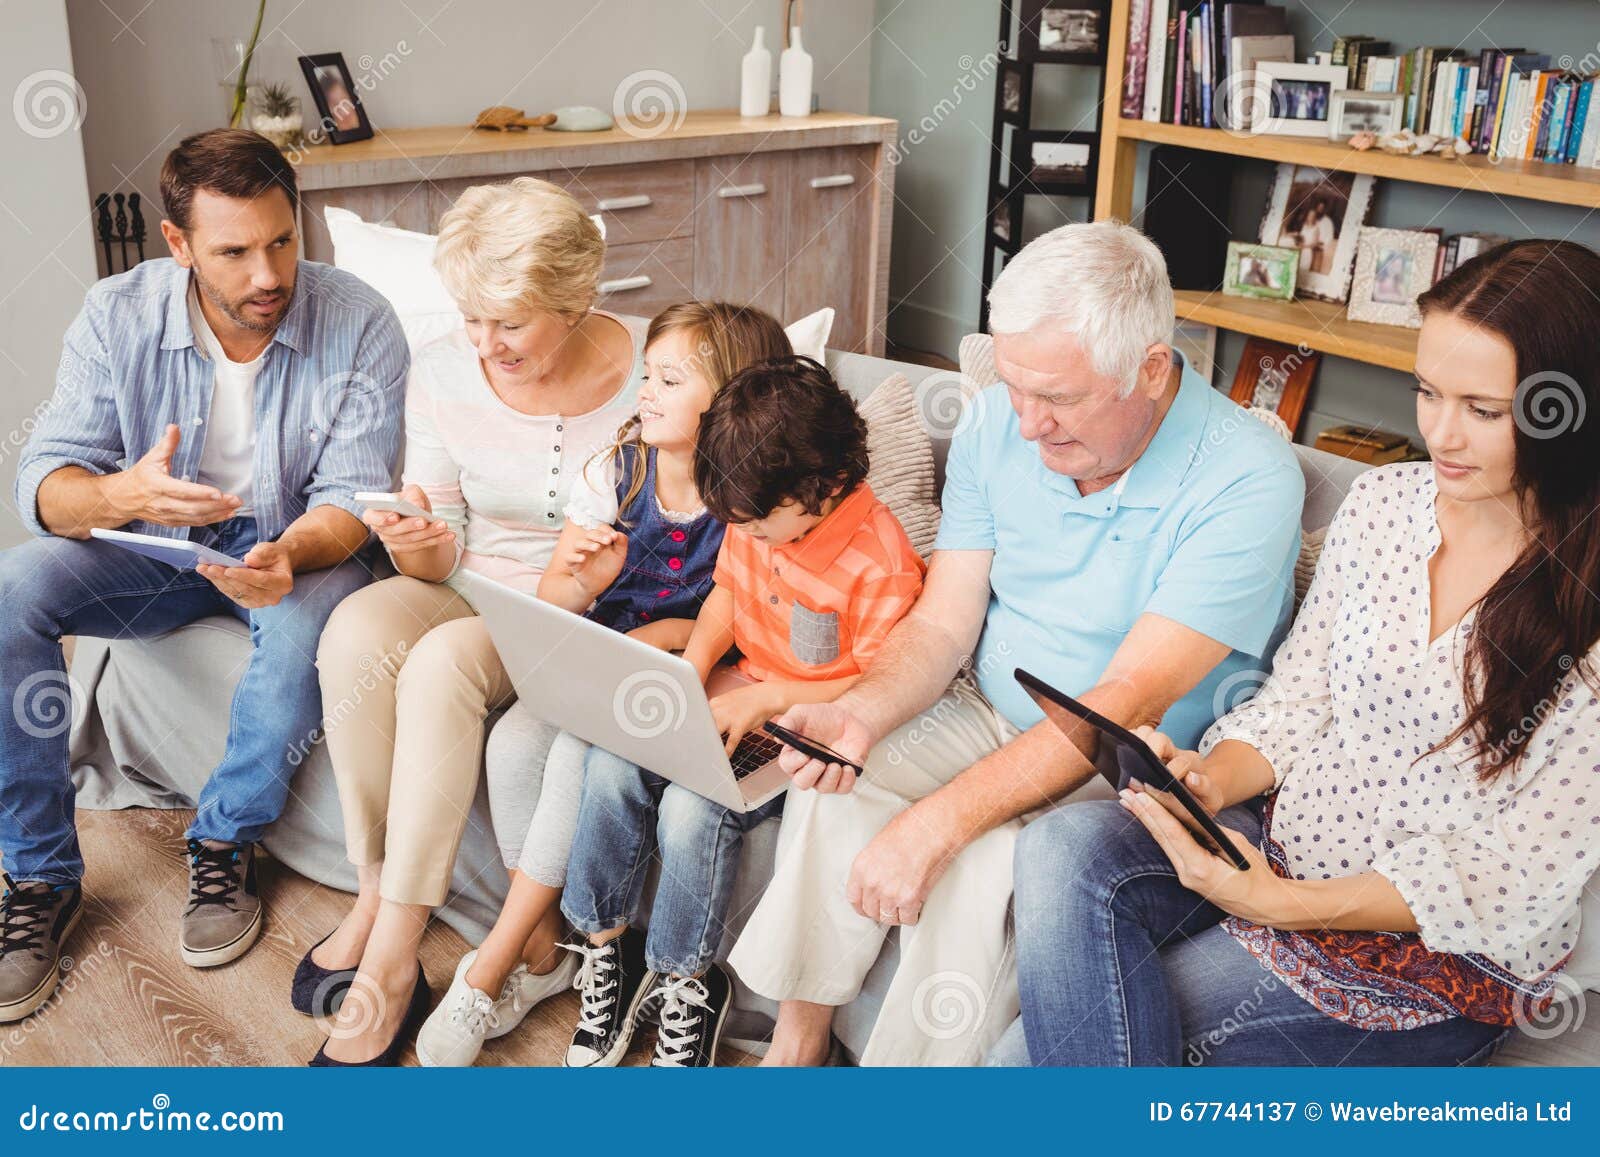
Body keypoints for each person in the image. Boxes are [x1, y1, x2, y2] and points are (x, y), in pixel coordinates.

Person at [1000, 238, 1600, 1066]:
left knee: (1019, 1062)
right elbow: (1298, 700)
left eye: (1483, 409)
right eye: (1428, 392)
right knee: (1062, 845)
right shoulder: (1384, 506)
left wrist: (1281, 904)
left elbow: (1510, 873)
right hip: (1276, 847)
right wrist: (1213, 778)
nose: (1440, 433)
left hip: (1434, 951)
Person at [727, 220, 1305, 1066]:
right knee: (837, 776)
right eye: (1016, 386)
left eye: (1060, 400)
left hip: (1133, 758)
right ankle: (795, 1052)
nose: (1027, 424)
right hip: (988, 707)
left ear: (1150, 369)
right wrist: (858, 712)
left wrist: (937, 824)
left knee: (979, 867)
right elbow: (944, 619)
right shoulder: (998, 419)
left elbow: (1125, 702)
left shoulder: (1246, 476)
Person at [0, 129, 406, 1024]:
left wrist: (290, 554)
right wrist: (119, 490)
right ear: (177, 244)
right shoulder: (116, 314)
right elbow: (47, 481)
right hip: (155, 548)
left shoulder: (362, 319)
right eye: (234, 251)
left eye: (282, 240)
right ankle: (38, 875)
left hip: (298, 544)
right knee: (8, 594)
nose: (269, 274)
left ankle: (223, 841)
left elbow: (352, 495)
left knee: (304, 624)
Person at [303, 178, 639, 1066]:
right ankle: (375, 886)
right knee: (355, 628)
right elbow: (440, 552)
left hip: (575, 606)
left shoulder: (649, 372)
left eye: (510, 322)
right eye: (471, 318)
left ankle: (393, 955)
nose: (485, 345)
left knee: (447, 658)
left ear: (575, 299)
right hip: (467, 575)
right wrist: (415, 539)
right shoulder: (448, 366)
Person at [414, 302, 792, 1067]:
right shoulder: (616, 469)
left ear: (730, 399)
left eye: (670, 379)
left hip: (690, 680)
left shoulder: (750, 496)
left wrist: (672, 637)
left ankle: (499, 959)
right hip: (605, 664)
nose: (645, 391)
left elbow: (751, 621)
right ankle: (564, 956)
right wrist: (581, 578)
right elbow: (557, 605)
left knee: (568, 755)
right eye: (647, 374)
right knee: (514, 746)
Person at [560, 357, 926, 1068]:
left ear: (818, 486)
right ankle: (604, 949)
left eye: (758, 526)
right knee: (608, 761)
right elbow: (727, 595)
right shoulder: (750, 508)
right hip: (733, 692)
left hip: (801, 730)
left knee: (695, 808)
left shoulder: (881, 558)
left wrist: (770, 698)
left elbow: (877, 682)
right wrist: (691, 670)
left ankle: (683, 984)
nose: (748, 536)